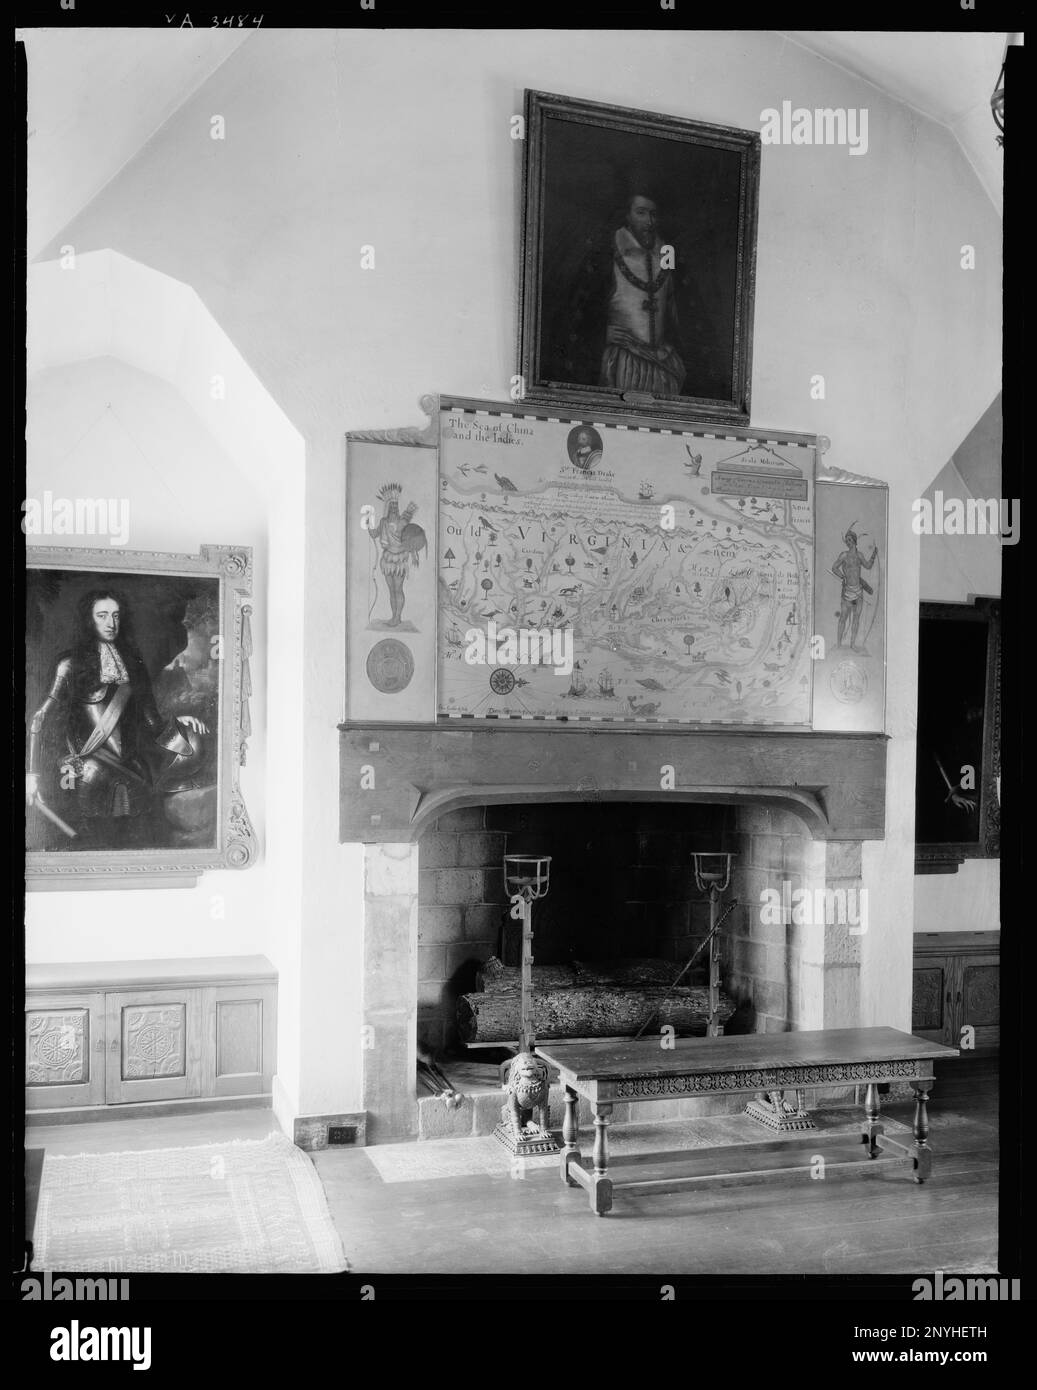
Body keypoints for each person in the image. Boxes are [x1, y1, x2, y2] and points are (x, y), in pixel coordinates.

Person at [26, 590, 208, 847]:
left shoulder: (134, 665)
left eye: (115, 616)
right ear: (90, 620)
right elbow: (39, 720)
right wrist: (30, 777)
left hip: (133, 772)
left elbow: (152, 723)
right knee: (90, 843)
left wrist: (182, 721)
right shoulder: (69, 665)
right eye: (102, 616)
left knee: (135, 842)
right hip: (88, 771)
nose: (111, 623)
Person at [560, 188, 688, 398]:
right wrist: (602, 333)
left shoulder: (668, 255)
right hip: (622, 363)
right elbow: (577, 314)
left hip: (664, 367)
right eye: (641, 212)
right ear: (627, 215)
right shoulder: (607, 254)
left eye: (653, 214)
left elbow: (680, 318)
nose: (649, 222)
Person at [831, 526, 878, 650]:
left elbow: (868, 566)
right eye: (846, 540)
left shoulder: (860, 555)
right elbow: (834, 567)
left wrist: (873, 555)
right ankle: (839, 644)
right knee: (843, 617)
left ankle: (852, 644)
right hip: (847, 592)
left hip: (858, 592)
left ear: (855, 541)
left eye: (850, 540)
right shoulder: (843, 555)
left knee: (856, 618)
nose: (848, 542)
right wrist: (842, 576)